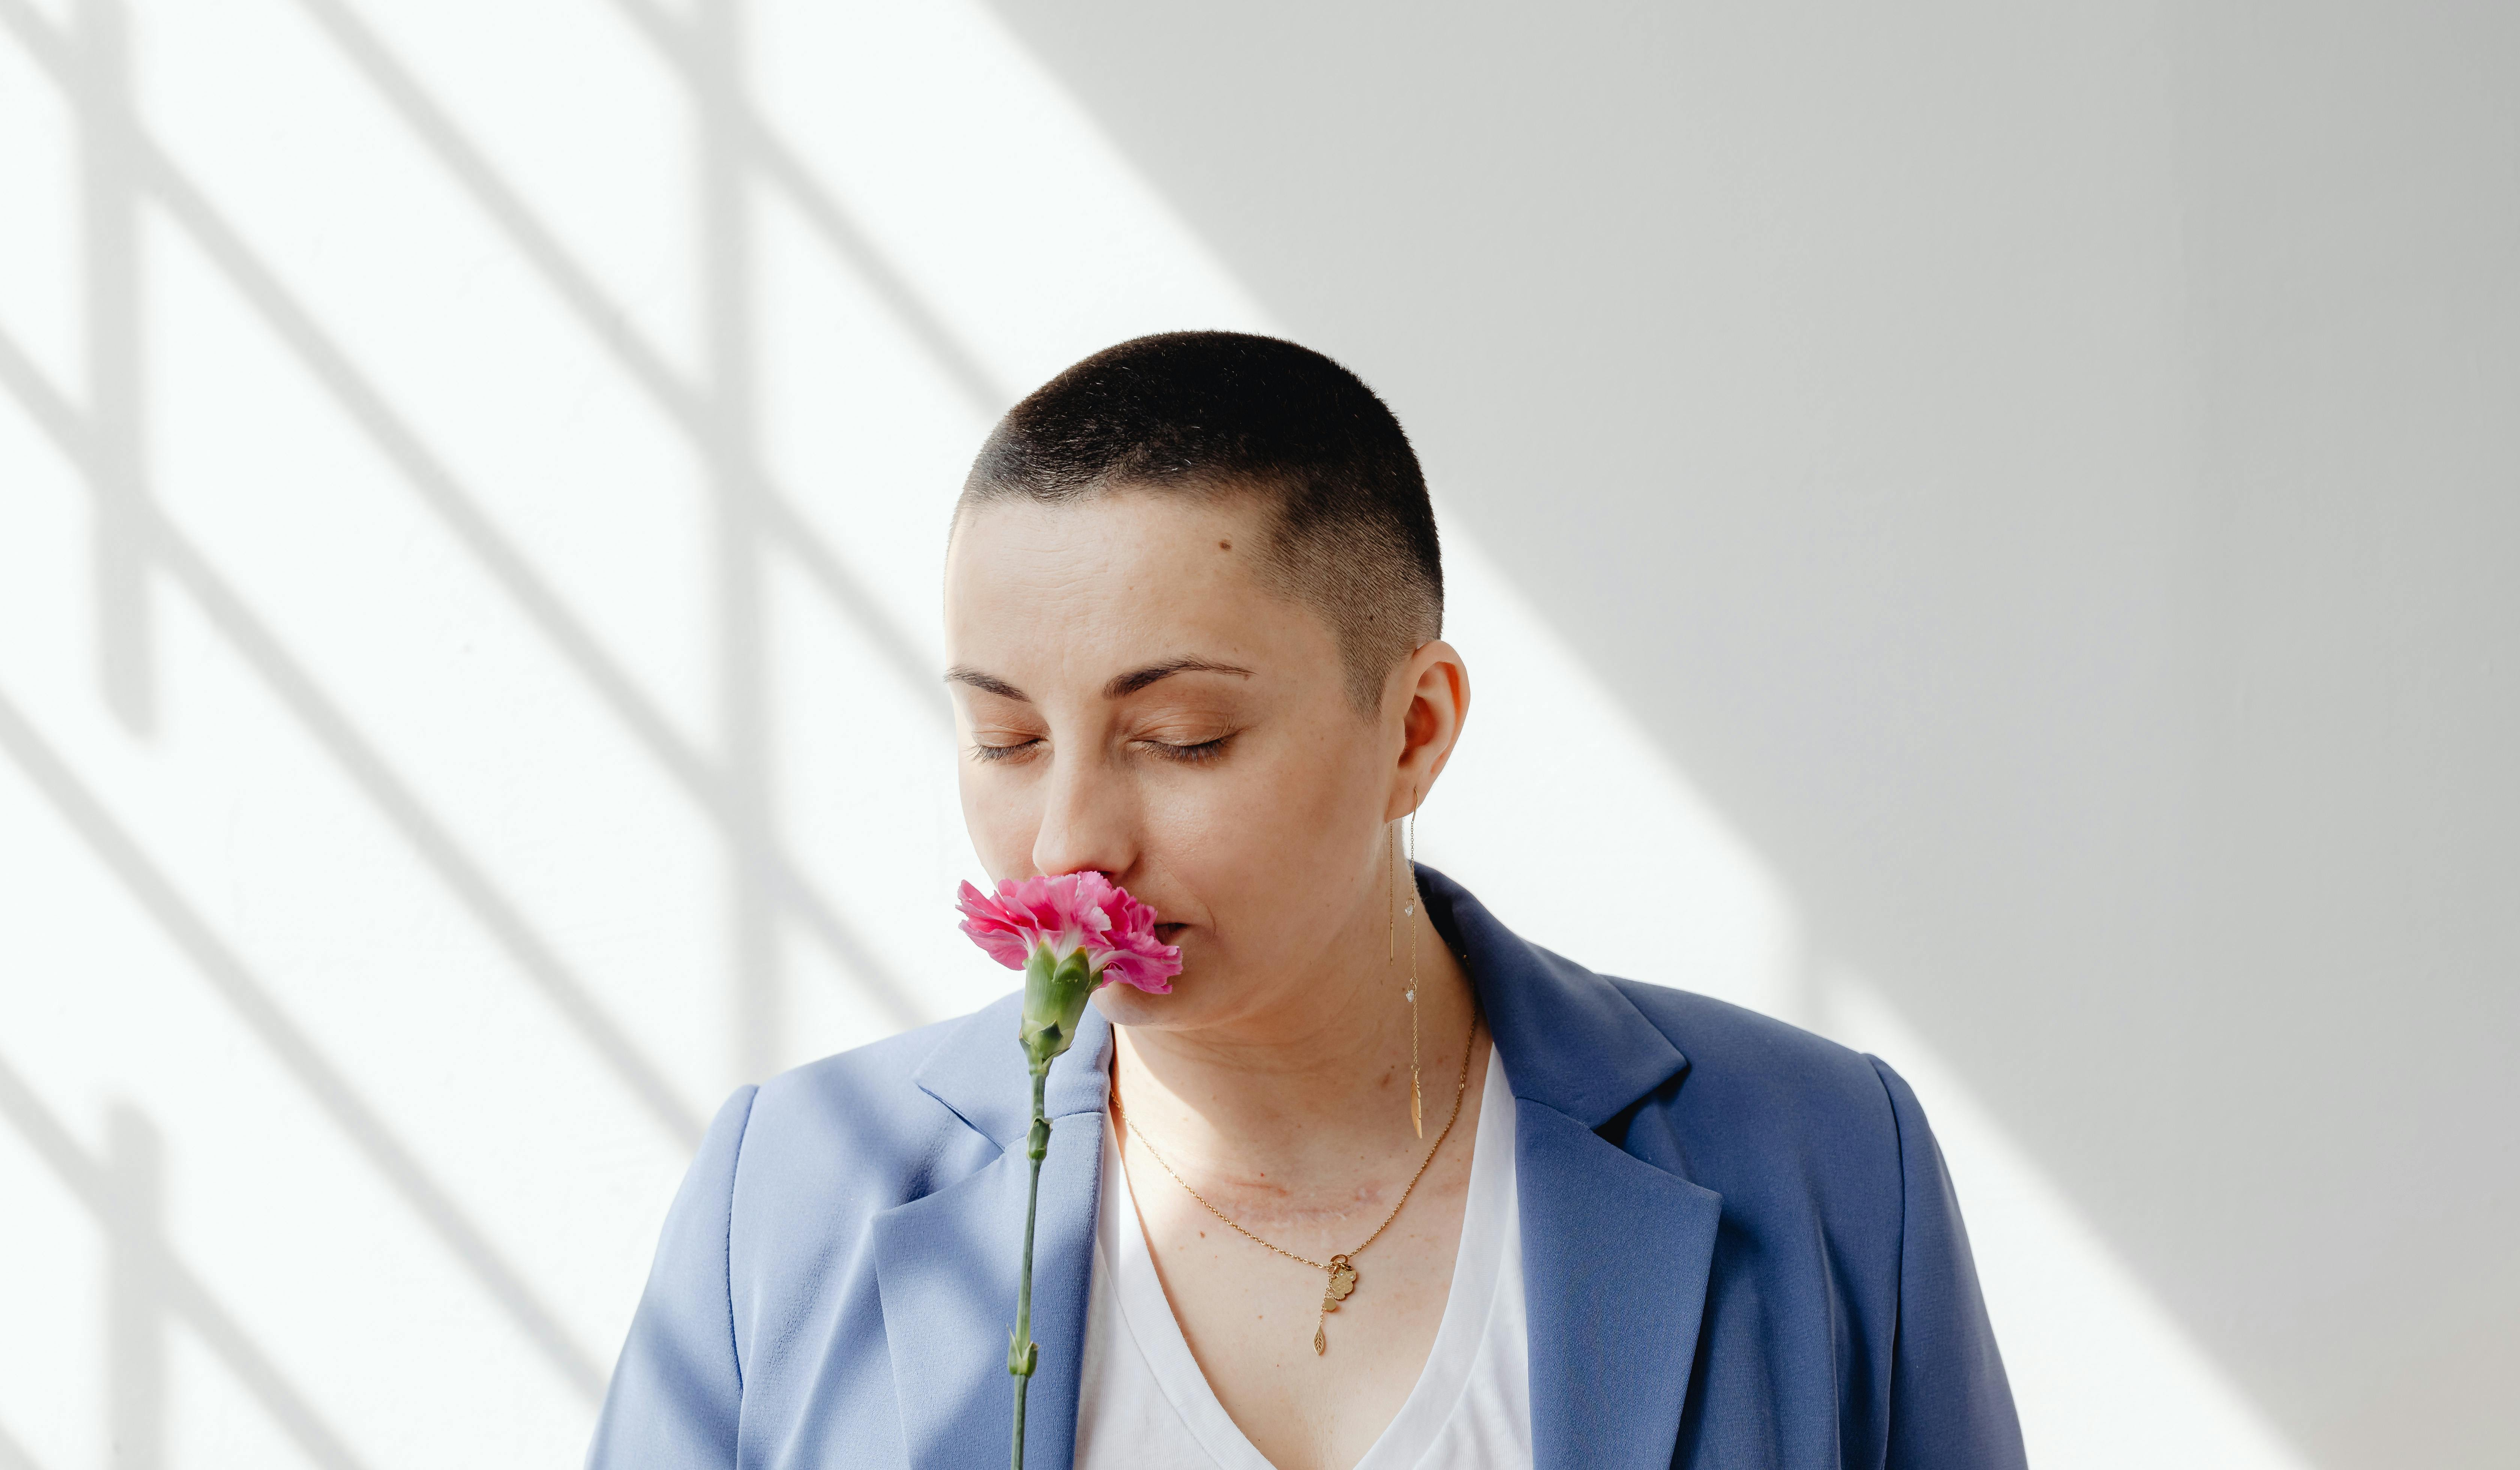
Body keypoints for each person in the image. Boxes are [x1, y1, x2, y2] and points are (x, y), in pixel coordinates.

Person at [586, 332, 2025, 1470]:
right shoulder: (786, 1196)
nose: (1068, 843)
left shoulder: (1827, 1160)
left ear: (1414, 730)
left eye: (1183, 739)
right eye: (1009, 740)